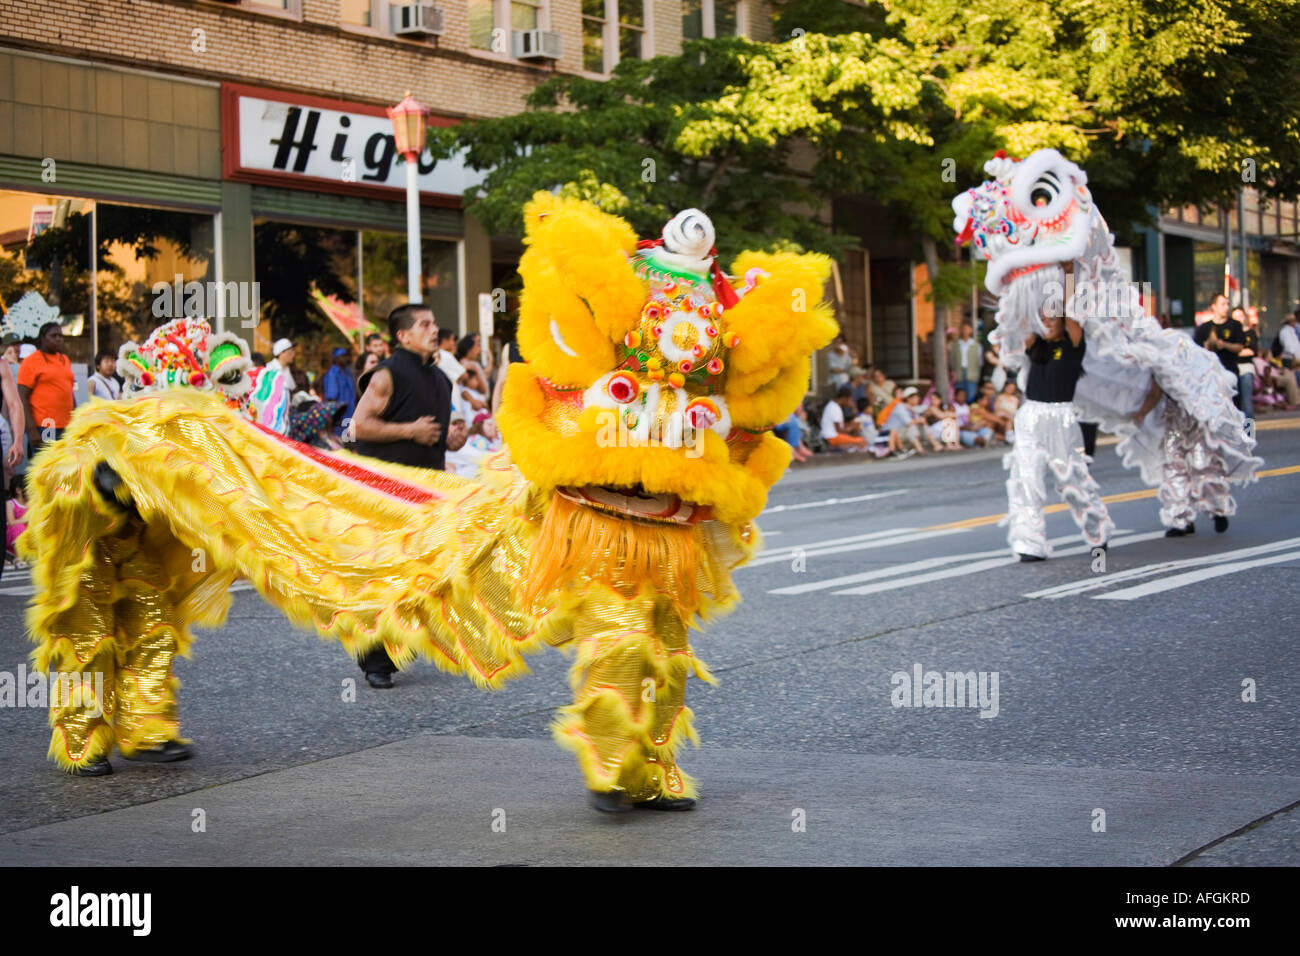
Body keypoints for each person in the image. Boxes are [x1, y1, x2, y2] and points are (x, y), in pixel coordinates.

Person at [349, 304, 458, 688]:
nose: (434, 328)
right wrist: (410, 431)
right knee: (388, 575)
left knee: (421, 572)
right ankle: (375, 660)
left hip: (426, 493)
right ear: (403, 336)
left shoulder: (442, 379)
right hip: (386, 492)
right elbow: (358, 426)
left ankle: (399, 644)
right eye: (424, 324)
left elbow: (434, 434)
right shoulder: (386, 374)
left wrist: (451, 439)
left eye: (433, 322)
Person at [1005, 313, 1113, 561]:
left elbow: (1074, 313)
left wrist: (1066, 276)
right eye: (1042, 320)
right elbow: (1021, 318)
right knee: (1026, 480)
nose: (1046, 324)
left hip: (1061, 419)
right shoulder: (1037, 347)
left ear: (1064, 323)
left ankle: (1097, 530)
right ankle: (1030, 543)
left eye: (1052, 320)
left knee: (1073, 482)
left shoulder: (1073, 346)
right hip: (1030, 416)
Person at [17, 322, 75, 458]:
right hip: (45, 425)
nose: (58, 339)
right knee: (46, 468)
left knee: (64, 466)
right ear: (43, 338)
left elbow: (69, 391)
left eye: (60, 336)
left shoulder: (65, 359)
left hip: (67, 425)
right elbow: (22, 396)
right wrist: (31, 429)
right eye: (53, 336)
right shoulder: (31, 362)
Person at [1193, 294, 1245, 405]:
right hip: (1210, 374)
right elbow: (1196, 351)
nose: (1226, 307)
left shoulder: (1235, 325)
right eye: (1223, 304)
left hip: (1230, 370)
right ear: (1214, 306)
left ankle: (1249, 423)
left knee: (1237, 406)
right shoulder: (1204, 328)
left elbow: (1240, 347)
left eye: (1228, 304)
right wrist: (1206, 349)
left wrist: (1225, 345)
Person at [322, 346, 357, 435]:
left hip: (350, 415)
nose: (346, 358)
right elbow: (331, 399)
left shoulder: (347, 372)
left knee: (351, 443)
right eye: (343, 356)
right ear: (336, 358)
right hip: (340, 419)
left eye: (346, 356)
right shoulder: (332, 374)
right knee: (342, 444)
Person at [1231, 307, 1258, 421]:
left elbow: (1252, 351)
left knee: (1246, 402)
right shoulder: (1230, 334)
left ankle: (1249, 433)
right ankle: (1237, 432)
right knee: (1234, 403)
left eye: (1240, 316)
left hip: (1246, 369)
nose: (1238, 319)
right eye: (1235, 317)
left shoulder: (1250, 333)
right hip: (1232, 370)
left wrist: (1233, 351)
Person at [820, 385, 867, 450]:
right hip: (832, 437)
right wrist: (851, 428)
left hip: (833, 436)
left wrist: (851, 424)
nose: (850, 401)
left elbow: (841, 425)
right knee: (861, 440)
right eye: (850, 399)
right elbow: (839, 430)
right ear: (844, 398)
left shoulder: (834, 405)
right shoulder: (834, 408)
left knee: (858, 438)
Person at [950, 323, 981, 404]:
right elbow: (952, 360)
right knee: (959, 394)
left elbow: (979, 362)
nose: (965, 331)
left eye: (967, 329)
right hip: (959, 373)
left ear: (971, 330)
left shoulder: (976, 346)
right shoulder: (956, 345)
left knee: (971, 395)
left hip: (971, 373)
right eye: (963, 329)